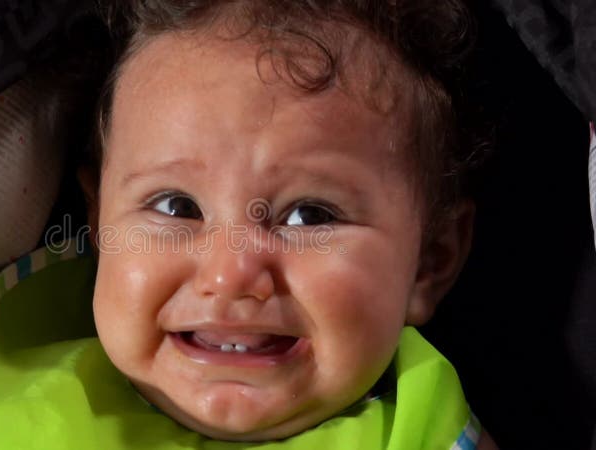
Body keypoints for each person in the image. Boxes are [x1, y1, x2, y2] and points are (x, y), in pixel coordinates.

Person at [76, 0, 498, 447]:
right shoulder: (24, 384)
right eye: (177, 207)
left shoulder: (427, 434)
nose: (230, 276)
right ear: (99, 227)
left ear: (428, 263)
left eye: (309, 216)